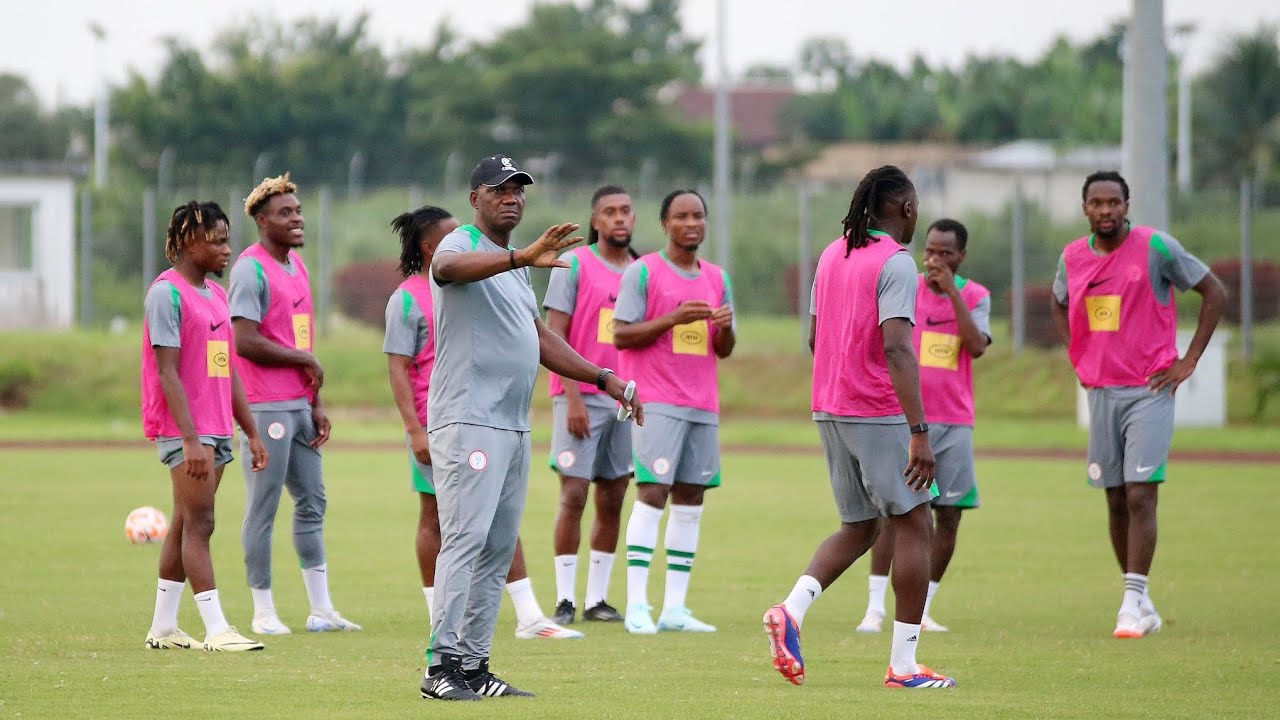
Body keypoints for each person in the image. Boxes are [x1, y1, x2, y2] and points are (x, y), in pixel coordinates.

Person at [420, 155, 642, 701]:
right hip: (469, 420)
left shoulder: (516, 266)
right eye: (499, 189)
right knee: (466, 540)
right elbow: (447, 272)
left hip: (512, 425)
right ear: (476, 198)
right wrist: (522, 254)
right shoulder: (459, 243)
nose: (511, 196)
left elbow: (539, 339)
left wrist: (603, 377)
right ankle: (440, 667)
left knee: (497, 547)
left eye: (518, 188)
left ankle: (473, 666)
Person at [763, 165, 956, 690]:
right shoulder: (896, 262)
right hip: (876, 411)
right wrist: (918, 431)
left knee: (861, 526)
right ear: (906, 210)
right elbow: (896, 346)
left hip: (829, 406)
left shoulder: (831, 254)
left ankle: (791, 611)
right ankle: (905, 668)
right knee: (917, 523)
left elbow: (813, 338)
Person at [383, 204, 581, 642]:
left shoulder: (494, 278)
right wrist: (414, 428)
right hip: (448, 418)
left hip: (497, 417)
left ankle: (517, 620)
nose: (466, 239)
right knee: (441, 520)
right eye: (453, 235)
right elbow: (398, 366)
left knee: (492, 523)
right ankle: (443, 630)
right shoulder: (411, 295)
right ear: (431, 247)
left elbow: (528, 335)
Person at [1050, 171, 1224, 639]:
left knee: (1140, 493)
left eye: (1114, 202)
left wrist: (1188, 361)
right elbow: (1058, 302)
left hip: (1150, 389)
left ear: (1127, 206)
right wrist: (1077, 356)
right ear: (1085, 208)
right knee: (1113, 499)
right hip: (1101, 391)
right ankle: (1141, 599)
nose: (1105, 210)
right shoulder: (1071, 257)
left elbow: (1215, 292)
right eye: (1096, 203)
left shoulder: (1157, 248)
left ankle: (1129, 605)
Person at [229, 173, 359, 635]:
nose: (297, 218)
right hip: (265, 407)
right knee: (263, 508)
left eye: (298, 211)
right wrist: (304, 358)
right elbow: (244, 341)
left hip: (299, 405)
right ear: (263, 222)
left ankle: (321, 610)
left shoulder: (296, 267)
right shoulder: (250, 268)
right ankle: (263, 611)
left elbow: (299, 338)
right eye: (286, 213)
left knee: (313, 502)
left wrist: (316, 401)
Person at [141, 201, 268, 652]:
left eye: (227, 240)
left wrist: (250, 430)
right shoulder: (166, 294)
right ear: (190, 242)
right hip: (186, 432)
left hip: (216, 427)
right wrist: (190, 440)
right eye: (217, 241)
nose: (228, 250)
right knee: (202, 521)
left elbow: (228, 369)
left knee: (182, 522)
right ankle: (217, 630)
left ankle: (163, 627)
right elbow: (167, 372)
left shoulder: (215, 295)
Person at [857, 218, 991, 635]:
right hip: (901, 420)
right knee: (895, 512)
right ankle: (875, 608)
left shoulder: (974, 295)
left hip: (954, 422)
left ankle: (924, 605)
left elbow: (977, 346)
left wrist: (952, 292)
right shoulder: (904, 285)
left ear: (960, 256)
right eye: (930, 250)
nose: (934, 259)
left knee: (948, 516)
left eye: (945, 253)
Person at [612, 188, 735, 636]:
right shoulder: (643, 272)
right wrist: (673, 319)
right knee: (652, 493)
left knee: (692, 498)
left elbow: (725, 346)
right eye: (681, 216)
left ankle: (675, 608)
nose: (691, 223)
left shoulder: (718, 278)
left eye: (698, 216)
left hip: (702, 402)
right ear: (664, 224)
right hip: (656, 400)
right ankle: (637, 605)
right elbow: (621, 336)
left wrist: (721, 329)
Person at [543, 185, 640, 626]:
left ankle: (597, 598)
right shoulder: (575, 263)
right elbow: (554, 333)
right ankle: (564, 598)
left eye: (626, 211)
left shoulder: (641, 270)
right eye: (609, 212)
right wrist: (573, 396)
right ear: (595, 220)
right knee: (575, 493)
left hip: (624, 398)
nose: (619, 218)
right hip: (579, 397)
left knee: (614, 496)